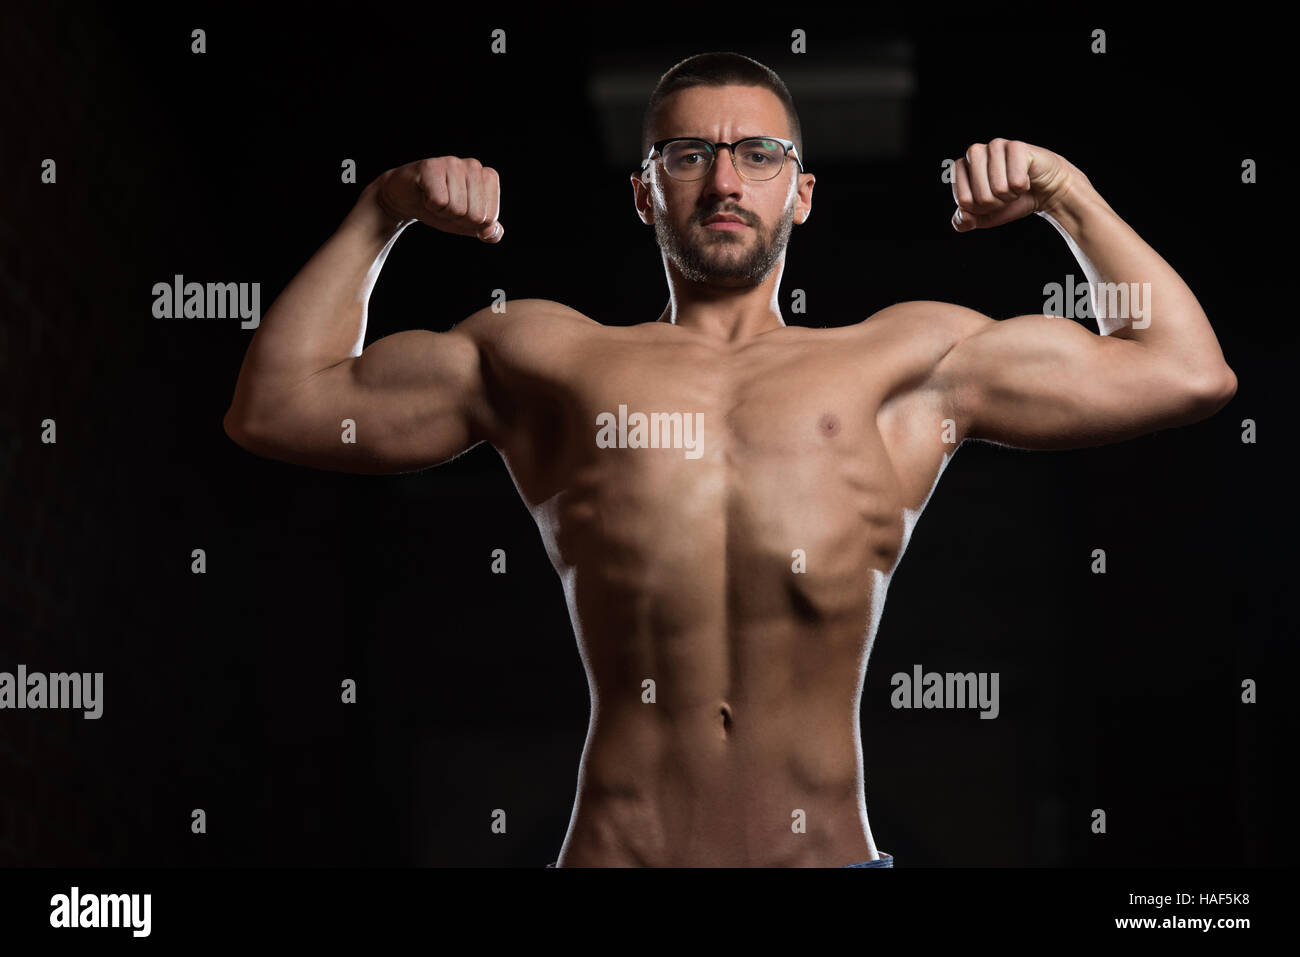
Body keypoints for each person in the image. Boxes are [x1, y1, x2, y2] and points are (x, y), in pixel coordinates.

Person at [222, 52, 1236, 867]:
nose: (721, 179)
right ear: (641, 195)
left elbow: (1186, 373)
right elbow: (278, 407)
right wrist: (381, 212)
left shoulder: (904, 360)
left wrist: (1070, 196)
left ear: (800, 193)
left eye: (755, 153)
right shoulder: (543, 355)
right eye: (685, 155)